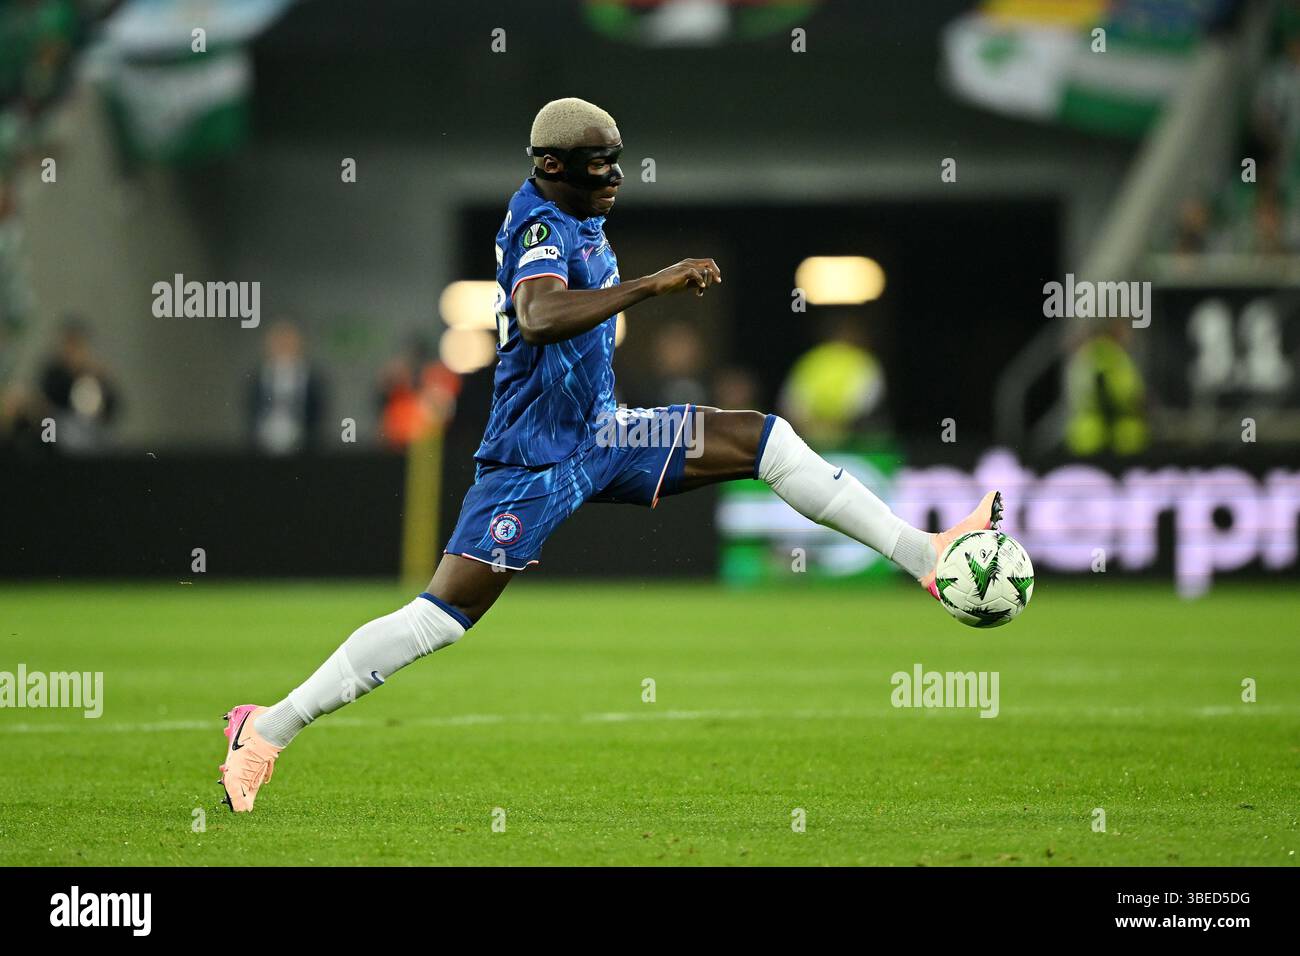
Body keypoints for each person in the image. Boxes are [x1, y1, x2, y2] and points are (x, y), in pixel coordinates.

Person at [216, 98, 1002, 812]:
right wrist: (654, 286)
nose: (617, 176)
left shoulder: (581, 210)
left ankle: (926, 555)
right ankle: (266, 729)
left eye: (619, 160)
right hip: (532, 460)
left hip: (607, 435)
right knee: (441, 618)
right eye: (602, 163)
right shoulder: (539, 226)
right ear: (552, 167)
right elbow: (540, 313)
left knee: (763, 439)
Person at [247, 320, 326, 455]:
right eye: (279, 340)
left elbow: (317, 413)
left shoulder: (313, 379)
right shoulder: (258, 377)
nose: (284, 345)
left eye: (288, 340)